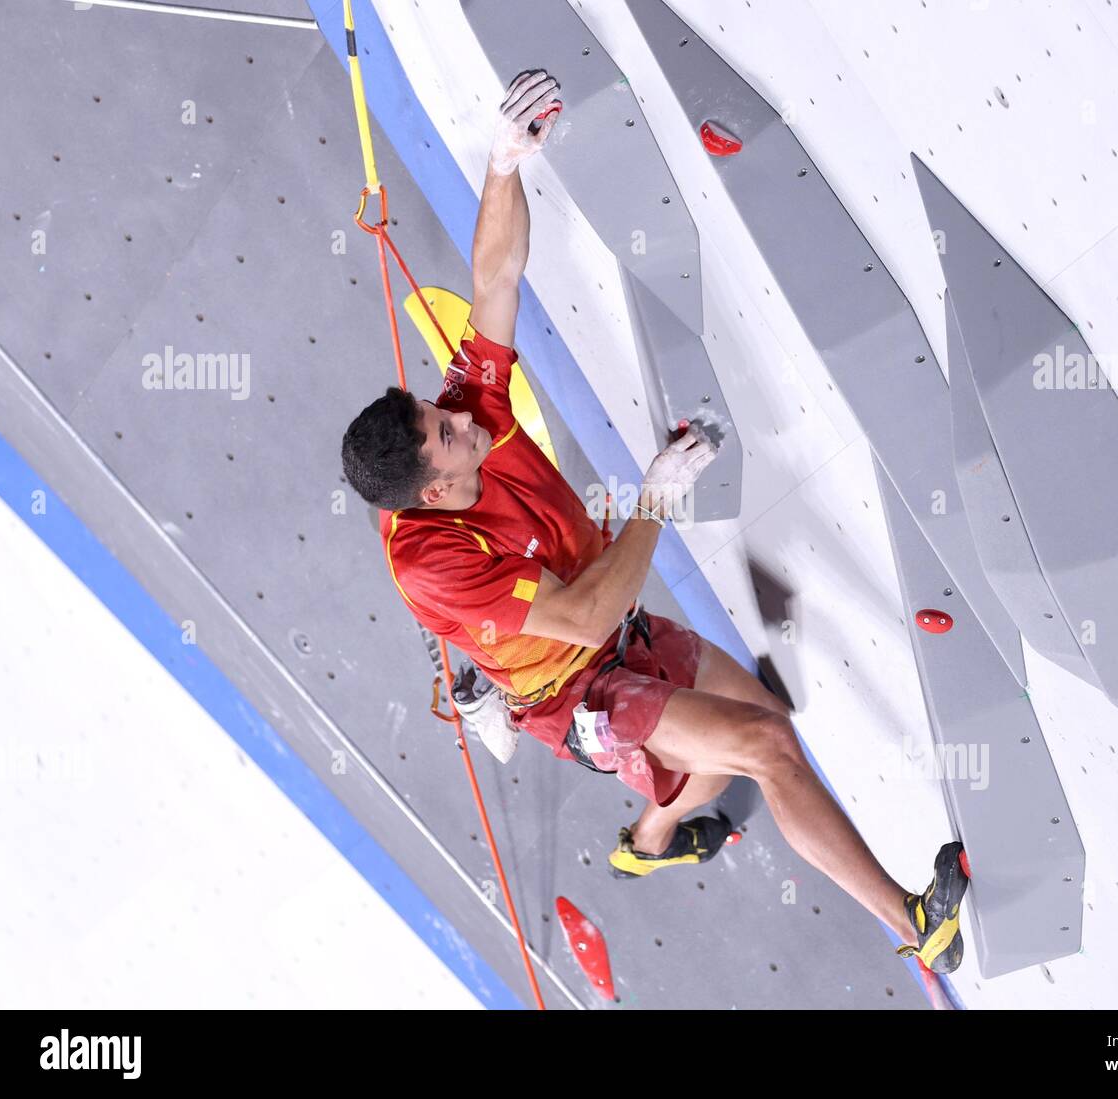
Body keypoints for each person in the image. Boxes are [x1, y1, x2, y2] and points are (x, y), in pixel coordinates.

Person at [340, 70, 969, 972]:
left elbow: (496, 274)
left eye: (444, 414)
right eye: (448, 434)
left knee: (739, 725)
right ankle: (920, 928)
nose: (464, 414)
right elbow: (587, 616)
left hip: (615, 625)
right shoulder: (440, 562)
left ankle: (651, 837)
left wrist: (504, 167)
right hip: (579, 691)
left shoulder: (468, 417)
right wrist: (654, 501)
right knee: (767, 743)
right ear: (435, 488)